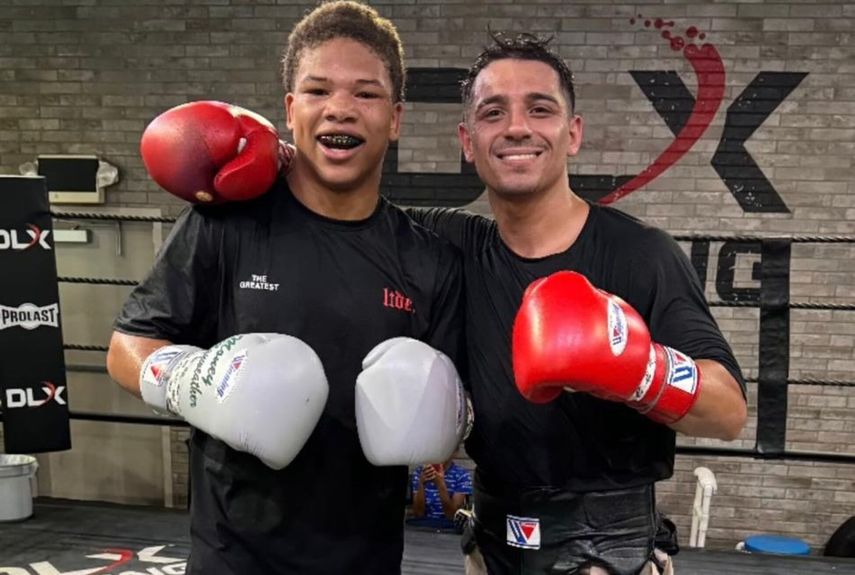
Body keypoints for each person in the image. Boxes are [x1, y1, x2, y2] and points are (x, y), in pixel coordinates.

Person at [161, 30, 748, 575]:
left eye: (540, 109)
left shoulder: (640, 254)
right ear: (469, 142)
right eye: (493, 113)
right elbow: (353, 217)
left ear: (573, 132)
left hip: (607, 551)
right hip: (492, 545)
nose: (517, 128)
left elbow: (727, 411)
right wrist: (273, 158)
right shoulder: (448, 246)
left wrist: (634, 369)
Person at [105, 2, 469, 574]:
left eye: (366, 94)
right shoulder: (225, 226)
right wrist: (194, 381)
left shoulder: (427, 260)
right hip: (232, 556)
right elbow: (128, 347)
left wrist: (445, 418)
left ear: (395, 118)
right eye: (319, 90)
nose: (341, 110)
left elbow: (451, 416)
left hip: (367, 558)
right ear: (291, 108)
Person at [408, 457, 473, 530]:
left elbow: (452, 516)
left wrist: (441, 485)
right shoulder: (419, 473)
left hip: (449, 527)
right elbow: (418, 514)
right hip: (424, 525)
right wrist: (421, 484)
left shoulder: (462, 475)